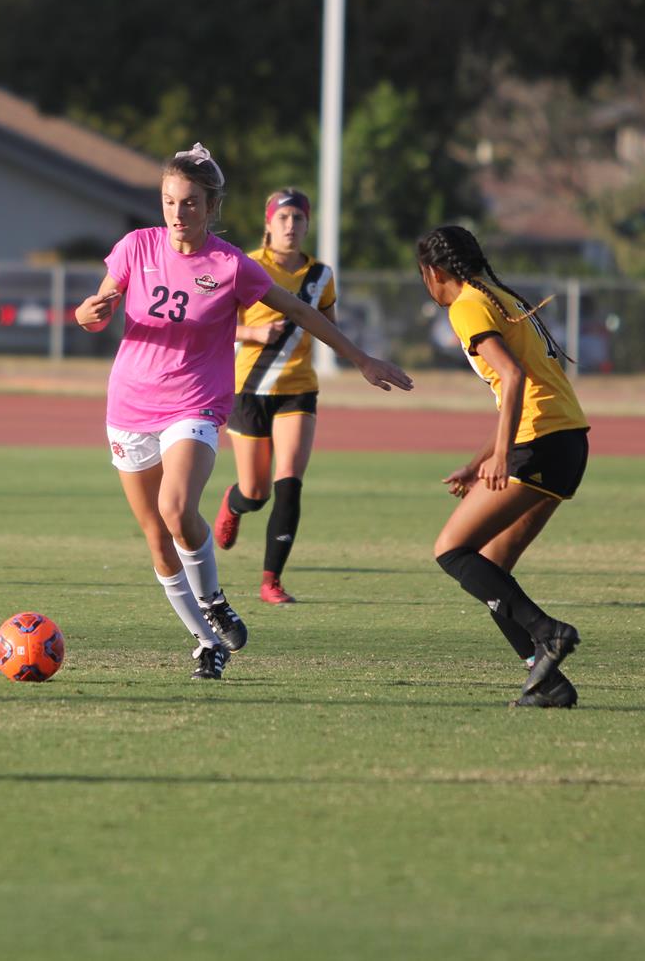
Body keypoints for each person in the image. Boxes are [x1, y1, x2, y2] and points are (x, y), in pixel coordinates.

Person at [75, 145, 413, 679]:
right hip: (129, 406)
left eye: (190, 204)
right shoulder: (135, 247)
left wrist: (361, 358)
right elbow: (98, 313)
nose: (177, 214)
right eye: (169, 201)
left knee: (177, 506)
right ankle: (205, 641)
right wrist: (86, 314)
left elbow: (299, 310)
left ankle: (212, 597)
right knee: (158, 539)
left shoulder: (230, 265)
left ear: (212, 209)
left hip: (195, 404)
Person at [415, 224, 587, 708]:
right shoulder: (498, 296)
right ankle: (546, 680)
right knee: (489, 568)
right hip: (568, 441)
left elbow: (512, 378)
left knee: (451, 551)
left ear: (433, 273)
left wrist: (503, 452)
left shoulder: (466, 305)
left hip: (538, 442)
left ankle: (547, 634)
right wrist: (481, 461)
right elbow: (526, 387)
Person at [213, 188, 334, 605]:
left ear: (307, 224)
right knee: (256, 492)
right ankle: (233, 502)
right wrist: (253, 333)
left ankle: (271, 581)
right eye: (282, 218)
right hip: (248, 390)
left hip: (297, 390)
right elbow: (214, 324)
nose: (290, 226)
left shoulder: (321, 276)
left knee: (290, 484)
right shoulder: (243, 266)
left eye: (297, 219)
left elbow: (325, 325)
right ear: (268, 224)